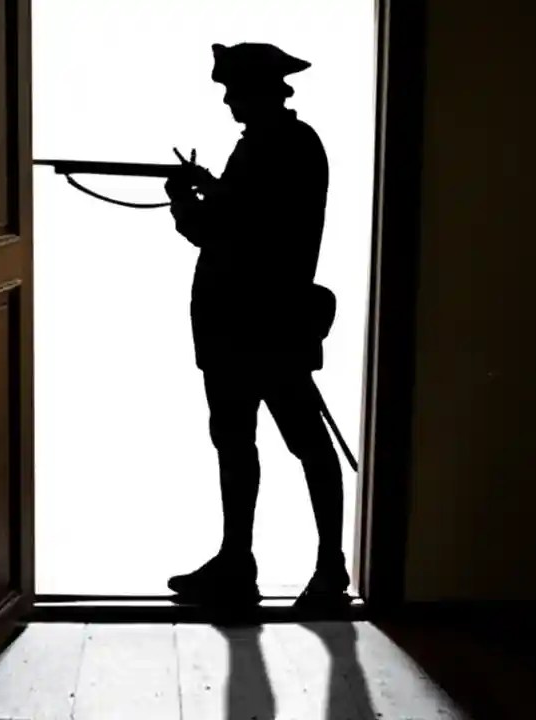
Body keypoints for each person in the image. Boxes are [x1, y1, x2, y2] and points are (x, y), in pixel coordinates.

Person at [163, 42, 350, 609]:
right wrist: (211, 193)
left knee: (302, 443)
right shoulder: (279, 144)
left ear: (259, 89)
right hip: (242, 324)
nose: (227, 99)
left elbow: (233, 231)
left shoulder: (279, 147)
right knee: (237, 442)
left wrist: (184, 205)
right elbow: (248, 216)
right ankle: (239, 561)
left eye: (234, 89)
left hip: (260, 324)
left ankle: (326, 568)